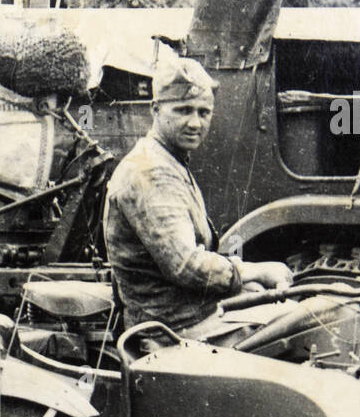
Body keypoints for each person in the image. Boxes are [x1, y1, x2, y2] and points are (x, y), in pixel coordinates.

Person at [103, 50, 292, 333]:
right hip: (170, 330)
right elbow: (187, 265)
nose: (195, 123)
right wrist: (255, 270)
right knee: (297, 329)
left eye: (204, 112)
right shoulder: (150, 170)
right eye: (183, 110)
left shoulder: (168, 160)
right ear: (155, 110)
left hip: (188, 312)